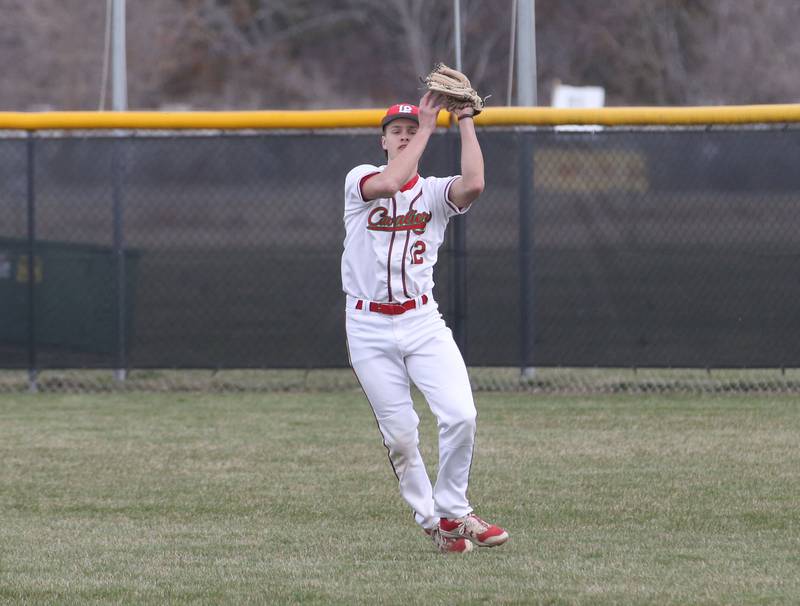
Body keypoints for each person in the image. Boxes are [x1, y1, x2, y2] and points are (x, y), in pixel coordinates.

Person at [341, 91, 508, 554]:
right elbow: (392, 184)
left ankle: (455, 511)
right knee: (401, 437)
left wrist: (467, 121)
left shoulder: (434, 192)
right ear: (383, 141)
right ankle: (434, 522)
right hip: (368, 327)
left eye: (411, 129)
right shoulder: (361, 180)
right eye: (397, 131)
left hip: (421, 320)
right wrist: (430, 126)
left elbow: (473, 184)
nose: (405, 134)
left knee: (461, 415)